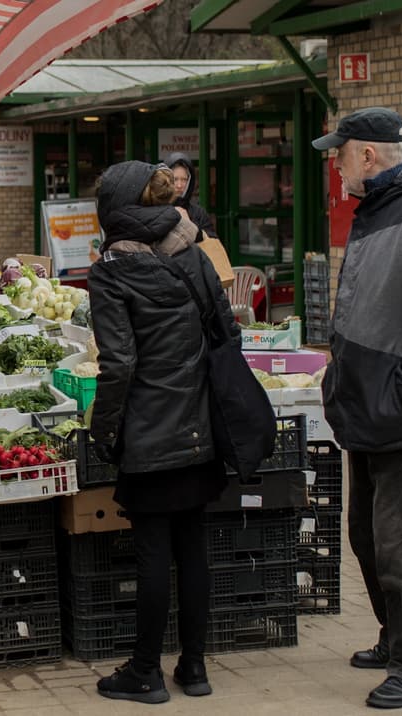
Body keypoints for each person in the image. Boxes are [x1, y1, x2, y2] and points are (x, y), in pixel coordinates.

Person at [311, 107, 402, 710]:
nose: (334, 164)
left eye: (339, 153)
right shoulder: (376, 206)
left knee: (399, 544)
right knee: (366, 537)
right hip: (366, 404)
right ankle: (393, 635)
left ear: (366, 155)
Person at [88, 161, 235, 704]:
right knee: (192, 546)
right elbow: (227, 332)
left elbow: (119, 363)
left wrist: (104, 432)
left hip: (149, 432)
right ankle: (193, 668)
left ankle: (145, 671)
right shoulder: (194, 255)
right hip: (199, 430)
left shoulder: (111, 271)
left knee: (153, 553)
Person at [164, 152, 216, 236]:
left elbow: (212, 241)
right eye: (175, 179)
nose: (179, 185)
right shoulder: (155, 209)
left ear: (189, 182)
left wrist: (190, 226)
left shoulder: (199, 213)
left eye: (184, 179)